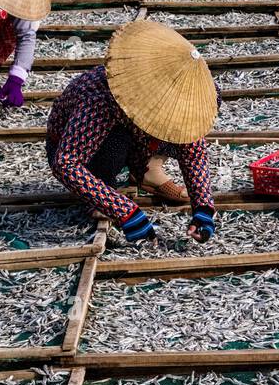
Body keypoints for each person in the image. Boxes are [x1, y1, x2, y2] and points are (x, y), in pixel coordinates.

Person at [46, 20, 219, 243]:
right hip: (84, 149)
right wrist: (124, 210)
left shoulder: (176, 100)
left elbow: (192, 148)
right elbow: (66, 163)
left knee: (183, 123)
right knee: (117, 140)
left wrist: (203, 208)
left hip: (139, 142)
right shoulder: (103, 99)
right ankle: (101, 187)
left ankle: (147, 171)